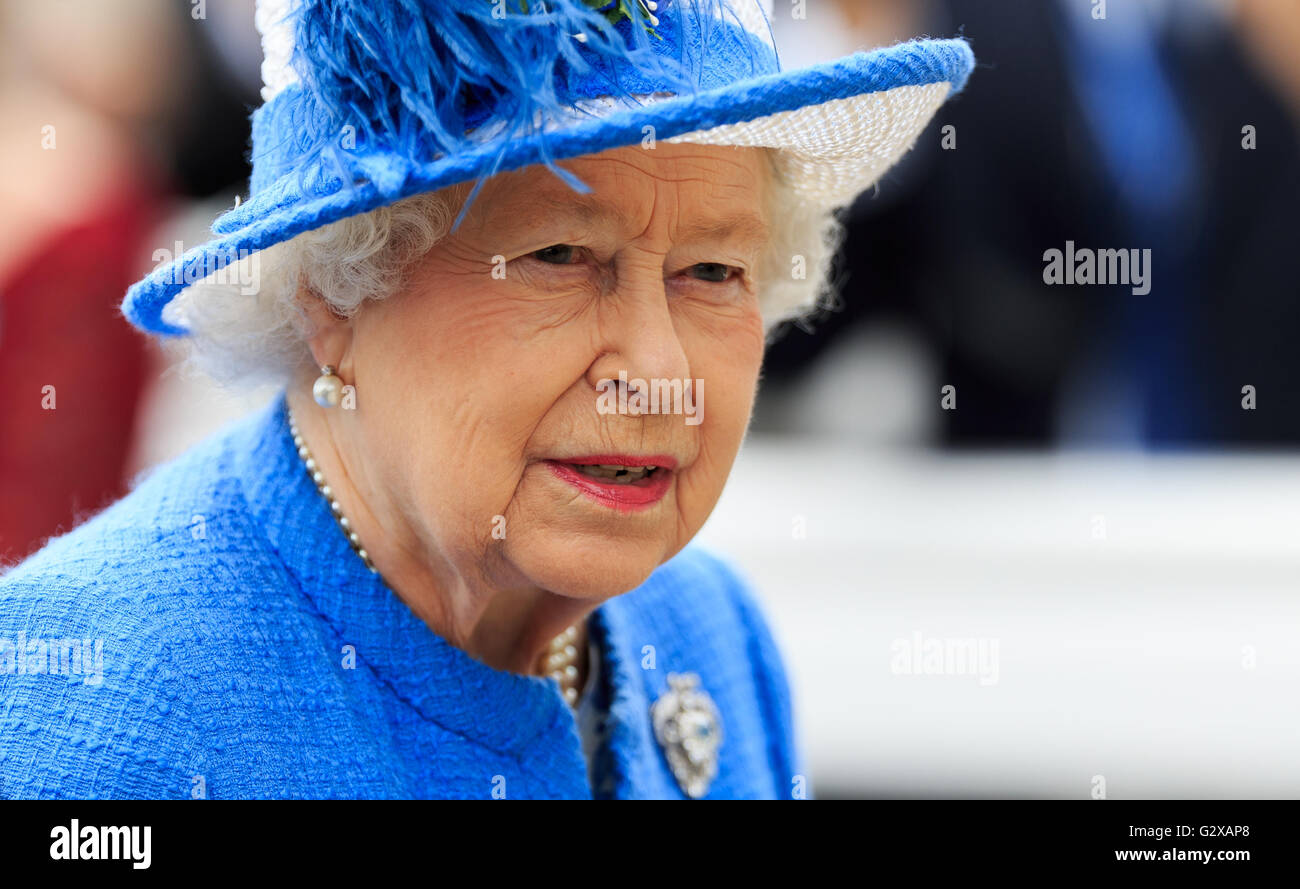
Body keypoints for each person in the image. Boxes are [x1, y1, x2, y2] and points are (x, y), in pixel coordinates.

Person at [0, 0, 972, 799]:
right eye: (559, 256)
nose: (655, 368)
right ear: (334, 295)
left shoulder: (709, 631)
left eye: (712, 270)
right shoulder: (81, 700)